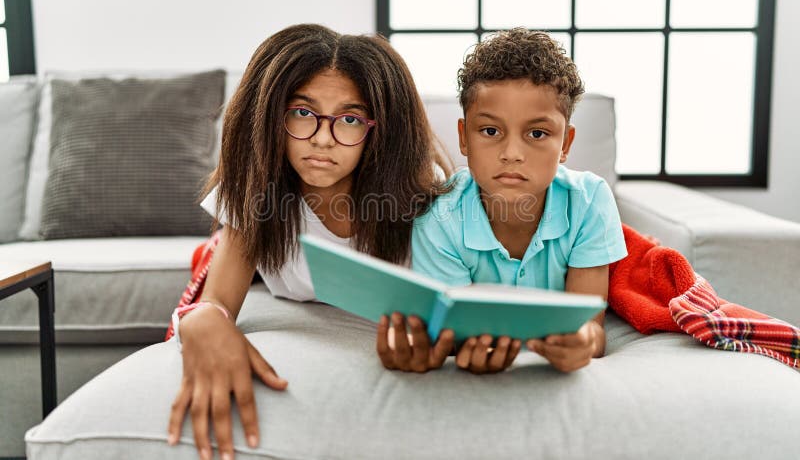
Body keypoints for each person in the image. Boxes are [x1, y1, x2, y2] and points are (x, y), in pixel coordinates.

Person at [166, 24, 453, 460]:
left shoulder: (419, 191)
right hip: (258, 258)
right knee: (211, 258)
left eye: (351, 120)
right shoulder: (256, 186)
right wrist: (204, 318)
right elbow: (217, 300)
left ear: (377, 132)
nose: (322, 139)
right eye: (302, 113)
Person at [376, 28, 627, 375]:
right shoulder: (439, 214)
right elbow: (451, 331)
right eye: (491, 132)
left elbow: (589, 324)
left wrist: (584, 341)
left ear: (565, 144)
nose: (512, 154)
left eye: (537, 134)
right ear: (464, 137)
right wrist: (466, 344)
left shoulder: (589, 201)